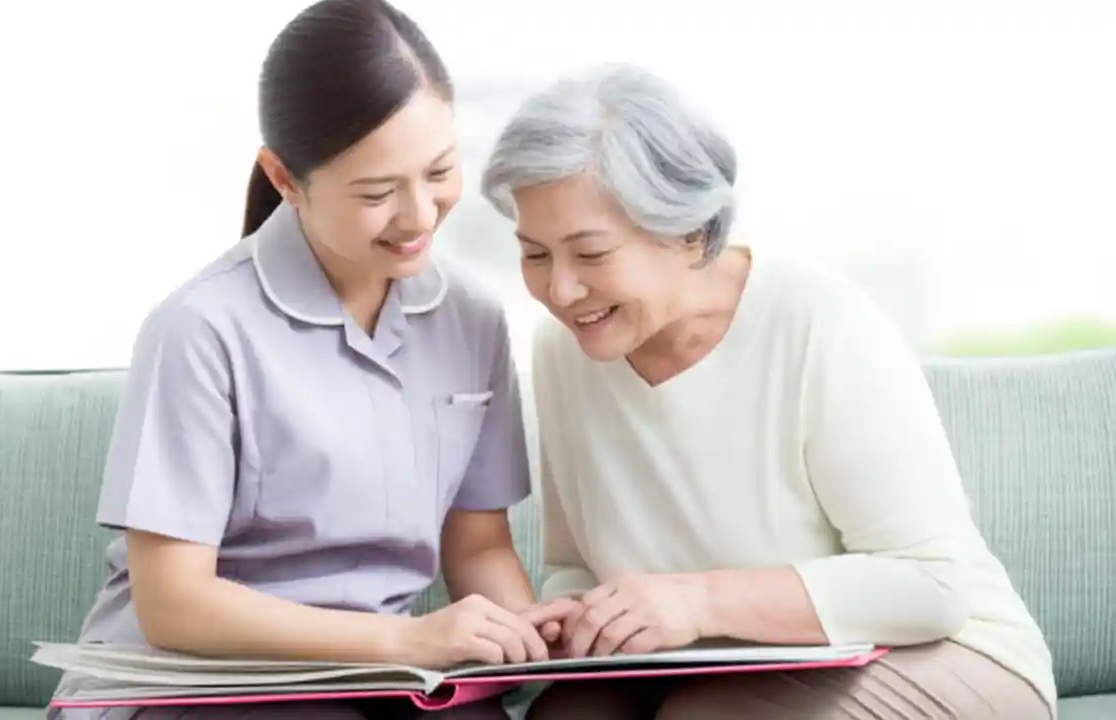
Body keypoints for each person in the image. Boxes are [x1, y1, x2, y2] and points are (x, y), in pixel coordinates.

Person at [480, 63, 1056, 719]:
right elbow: (577, 564)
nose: (560, 291)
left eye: (591, 254)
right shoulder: (564, 348)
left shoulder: (819, 323)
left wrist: (698, 602)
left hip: (942, 652)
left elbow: (931, 584)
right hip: (715, 666)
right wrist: (576, 615)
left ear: (689, 232)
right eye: (535, 254)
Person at [52, 2, 571, 718]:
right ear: (286, 178)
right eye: (377, 192)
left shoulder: (471, 318)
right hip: (198, 681)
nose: (420, 214)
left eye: (439, 171)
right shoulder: (200, 327)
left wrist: (527, 636)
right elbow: (173, 604)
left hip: (376, 675)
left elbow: (478, 547)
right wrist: (406, 640)